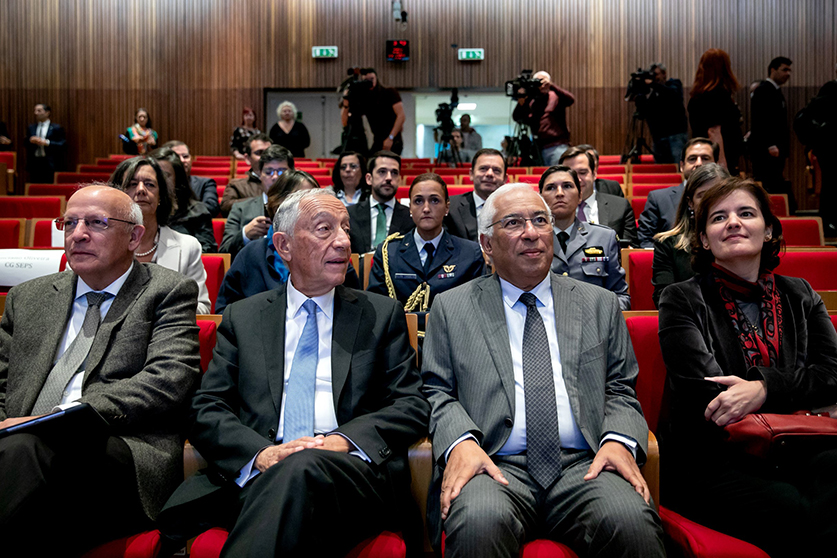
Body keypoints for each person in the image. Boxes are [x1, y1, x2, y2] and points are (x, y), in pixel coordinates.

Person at [158, 188, 430, 556]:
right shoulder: (245, 317)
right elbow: (207, 408)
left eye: (346, 229)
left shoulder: (380, 315)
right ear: (284, 246)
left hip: (352, 477)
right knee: (293, 482)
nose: (342, 241)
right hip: (260, 472)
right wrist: (262, 455)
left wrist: (341, 441)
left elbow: (410, 405)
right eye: (324, 229)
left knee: (300, 469)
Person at [421, 182, 664, 557]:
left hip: (585, 465)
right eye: (514, 223)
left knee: (631, 520)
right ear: (486, 244)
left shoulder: (598, 303)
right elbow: (437, 391)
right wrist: (462, 443)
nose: (531, 233)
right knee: (478, 524)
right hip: (494, 463)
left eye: (540, 220)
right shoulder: (452, 308)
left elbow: (619, 388)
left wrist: (618, 440)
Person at [0, 186, 201, 556]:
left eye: (96, 223)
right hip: (21, 452)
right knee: (24, 461)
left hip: (118, 450)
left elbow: (168, 380)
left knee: (28, 446)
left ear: (134, 236)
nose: (78, 233)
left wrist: (59, 419)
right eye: (70, 223)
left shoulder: (167, 291)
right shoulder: (28, 297)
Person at [658, 177, 837, 557]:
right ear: (705, 239)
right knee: (794, 511)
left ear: (768, 228)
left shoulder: (800, 294)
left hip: (798, 445)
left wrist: (763, 388)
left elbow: (833, 375)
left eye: (746, 213)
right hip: (713, 457)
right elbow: (707, 395)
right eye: (719, 217)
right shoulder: (682, 299)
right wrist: (799, 389)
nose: (733, 223)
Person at [214, 169, 361, 313]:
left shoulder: (334, 257)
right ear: (279, 205)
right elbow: (226, 312)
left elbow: (356, 307)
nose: (343, 242)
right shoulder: (251, 254)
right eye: (301, 199)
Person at [367, 173, 485, 310]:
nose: (426, 209)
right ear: (410, 207)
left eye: (435, 200)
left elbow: (478, 307)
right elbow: (377, 306)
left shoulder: (469, 253)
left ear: (447, 207)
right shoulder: (388, 253)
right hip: (401, 330)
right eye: (418, 201)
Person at [110, 157, 212, 314]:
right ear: (117, 193)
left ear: (160, 197)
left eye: (150, 184)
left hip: (167, 333)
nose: (141, 189)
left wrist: (154, 313)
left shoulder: (188, 247)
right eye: (132, 184)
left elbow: (202, 308)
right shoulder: (97, 245)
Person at [539, 166, 630, 310]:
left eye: (567, 186)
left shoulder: (604, 238)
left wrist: (596, 315)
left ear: (580, 195)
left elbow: (621, 297)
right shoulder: (531, 239)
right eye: (551, 188)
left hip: (593, 326)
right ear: (541, 198)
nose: (560, 193)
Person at [651, 163, 729, 308]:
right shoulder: (668, 243)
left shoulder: (738, 238)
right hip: (690, 321)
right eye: (703, 195)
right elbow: (664, 297)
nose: (710, 202)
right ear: (690, 203)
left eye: (718, 194)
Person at [637, 137, 719, 248]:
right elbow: (645, 241)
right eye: (692, 159)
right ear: (682, 166)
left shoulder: (726, 197)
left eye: (705, 158)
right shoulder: (658, 199)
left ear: (716, 164)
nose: (699, 163)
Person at [220, 144, 295, 260]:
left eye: (281, 172)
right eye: (269, 172)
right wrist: (245, 234)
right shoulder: (240, 208)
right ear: (260, 174)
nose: (275, 177)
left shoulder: (303, 207)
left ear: (292, 174)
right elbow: (224, 251)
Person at [560, 146, 638, 246]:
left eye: (583, 173)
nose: (577, 179)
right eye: (571, 174)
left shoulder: (620, 207)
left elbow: (630, 251)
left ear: (594, 174)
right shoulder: (551, 209)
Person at [149, 147, 217, 253]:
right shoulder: (141, 209)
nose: (159, 180)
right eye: (153, 175)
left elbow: (208, 252)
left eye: (165, 175)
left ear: (178, 178)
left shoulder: (197, 211)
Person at [688, 49, 743, 175]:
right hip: (718, 157)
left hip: (702, 154)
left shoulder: (697, 96)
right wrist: (721, 162)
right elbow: (714, 131)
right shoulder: (718, 95)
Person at [347, 150, 413, 253]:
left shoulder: (411, 217)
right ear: (369, 179)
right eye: (382, 172)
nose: (389, 178)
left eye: (394, 173)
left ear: (399, 179)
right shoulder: (350, 215)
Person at [795, 79, 837, 233]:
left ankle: (828, 222)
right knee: (831, 185)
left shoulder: (822, 96)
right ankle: (829, 221)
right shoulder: (831, 91)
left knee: (829, 185)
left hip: (825, 149)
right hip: (830, 148)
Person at [749, 57, 793, 201]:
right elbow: (760, 120)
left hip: (776, 148)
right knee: (769, 184)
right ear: (773, 70)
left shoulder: (775, 90)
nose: (788, 74)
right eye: (784, 69)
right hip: (767, 149)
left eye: (789, 70)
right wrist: (770, 144)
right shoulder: (763, 90)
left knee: (775, 182)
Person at [444, 148, 508, 241]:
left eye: (496, 170)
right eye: (483, 169)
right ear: (471, 174)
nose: (489, 174)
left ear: (505, 179)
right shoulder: (451, 207)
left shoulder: (514, 208)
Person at [512, 71, 575, 165]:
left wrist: (552, 86)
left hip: (557, 145)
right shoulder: (531, 101)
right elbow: (517, 117)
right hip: (538, 147)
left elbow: (571, 99)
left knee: (557, 175)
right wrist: (521, 102)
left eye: (543, 81)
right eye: (538, 81)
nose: (541, 85)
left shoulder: (555, 96)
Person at [634, 63, 689, 164]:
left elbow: (672, 95)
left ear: (664, 74)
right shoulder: (651, 93)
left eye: (656, 74)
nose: (654, 78)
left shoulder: (674, 84)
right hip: (659, 137)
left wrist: (652, 84)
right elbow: (643, 112)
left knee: (679, 166)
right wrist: (641, 93)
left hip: (675, 135)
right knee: (661, 169)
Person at [344, 68, 406, 154]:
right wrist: (347, 99)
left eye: (372, 79)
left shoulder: (389, 92)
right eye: (366, 80)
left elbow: (401, 116)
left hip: (393, 139)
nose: (370, 82)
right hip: (378, 140)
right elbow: (347, 120)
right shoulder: (364, 99)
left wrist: (390, 137)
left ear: (376, 78)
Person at [162, 140, 220, 218]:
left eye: (185, 156)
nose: (182, 160)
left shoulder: (205, 183)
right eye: (177, 157)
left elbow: (211, 208)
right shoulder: (160, 184)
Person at [220, 133, 273, 216]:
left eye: (269, 152)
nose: (265, 157)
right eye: (259, 153)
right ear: (247, 158)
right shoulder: (236, 185)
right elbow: (225, 208)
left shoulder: (285, 182)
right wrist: (261, 201)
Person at [26, 103, 66, 184]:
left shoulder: (56, 128)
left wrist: (46, 142)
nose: (36, 113)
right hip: (35, 163)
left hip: (50, 163)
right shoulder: (31, 127)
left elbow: (62, 144)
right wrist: (30, 140)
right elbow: (25, 143)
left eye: (39, 110)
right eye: (35, 111)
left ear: (47, 112)